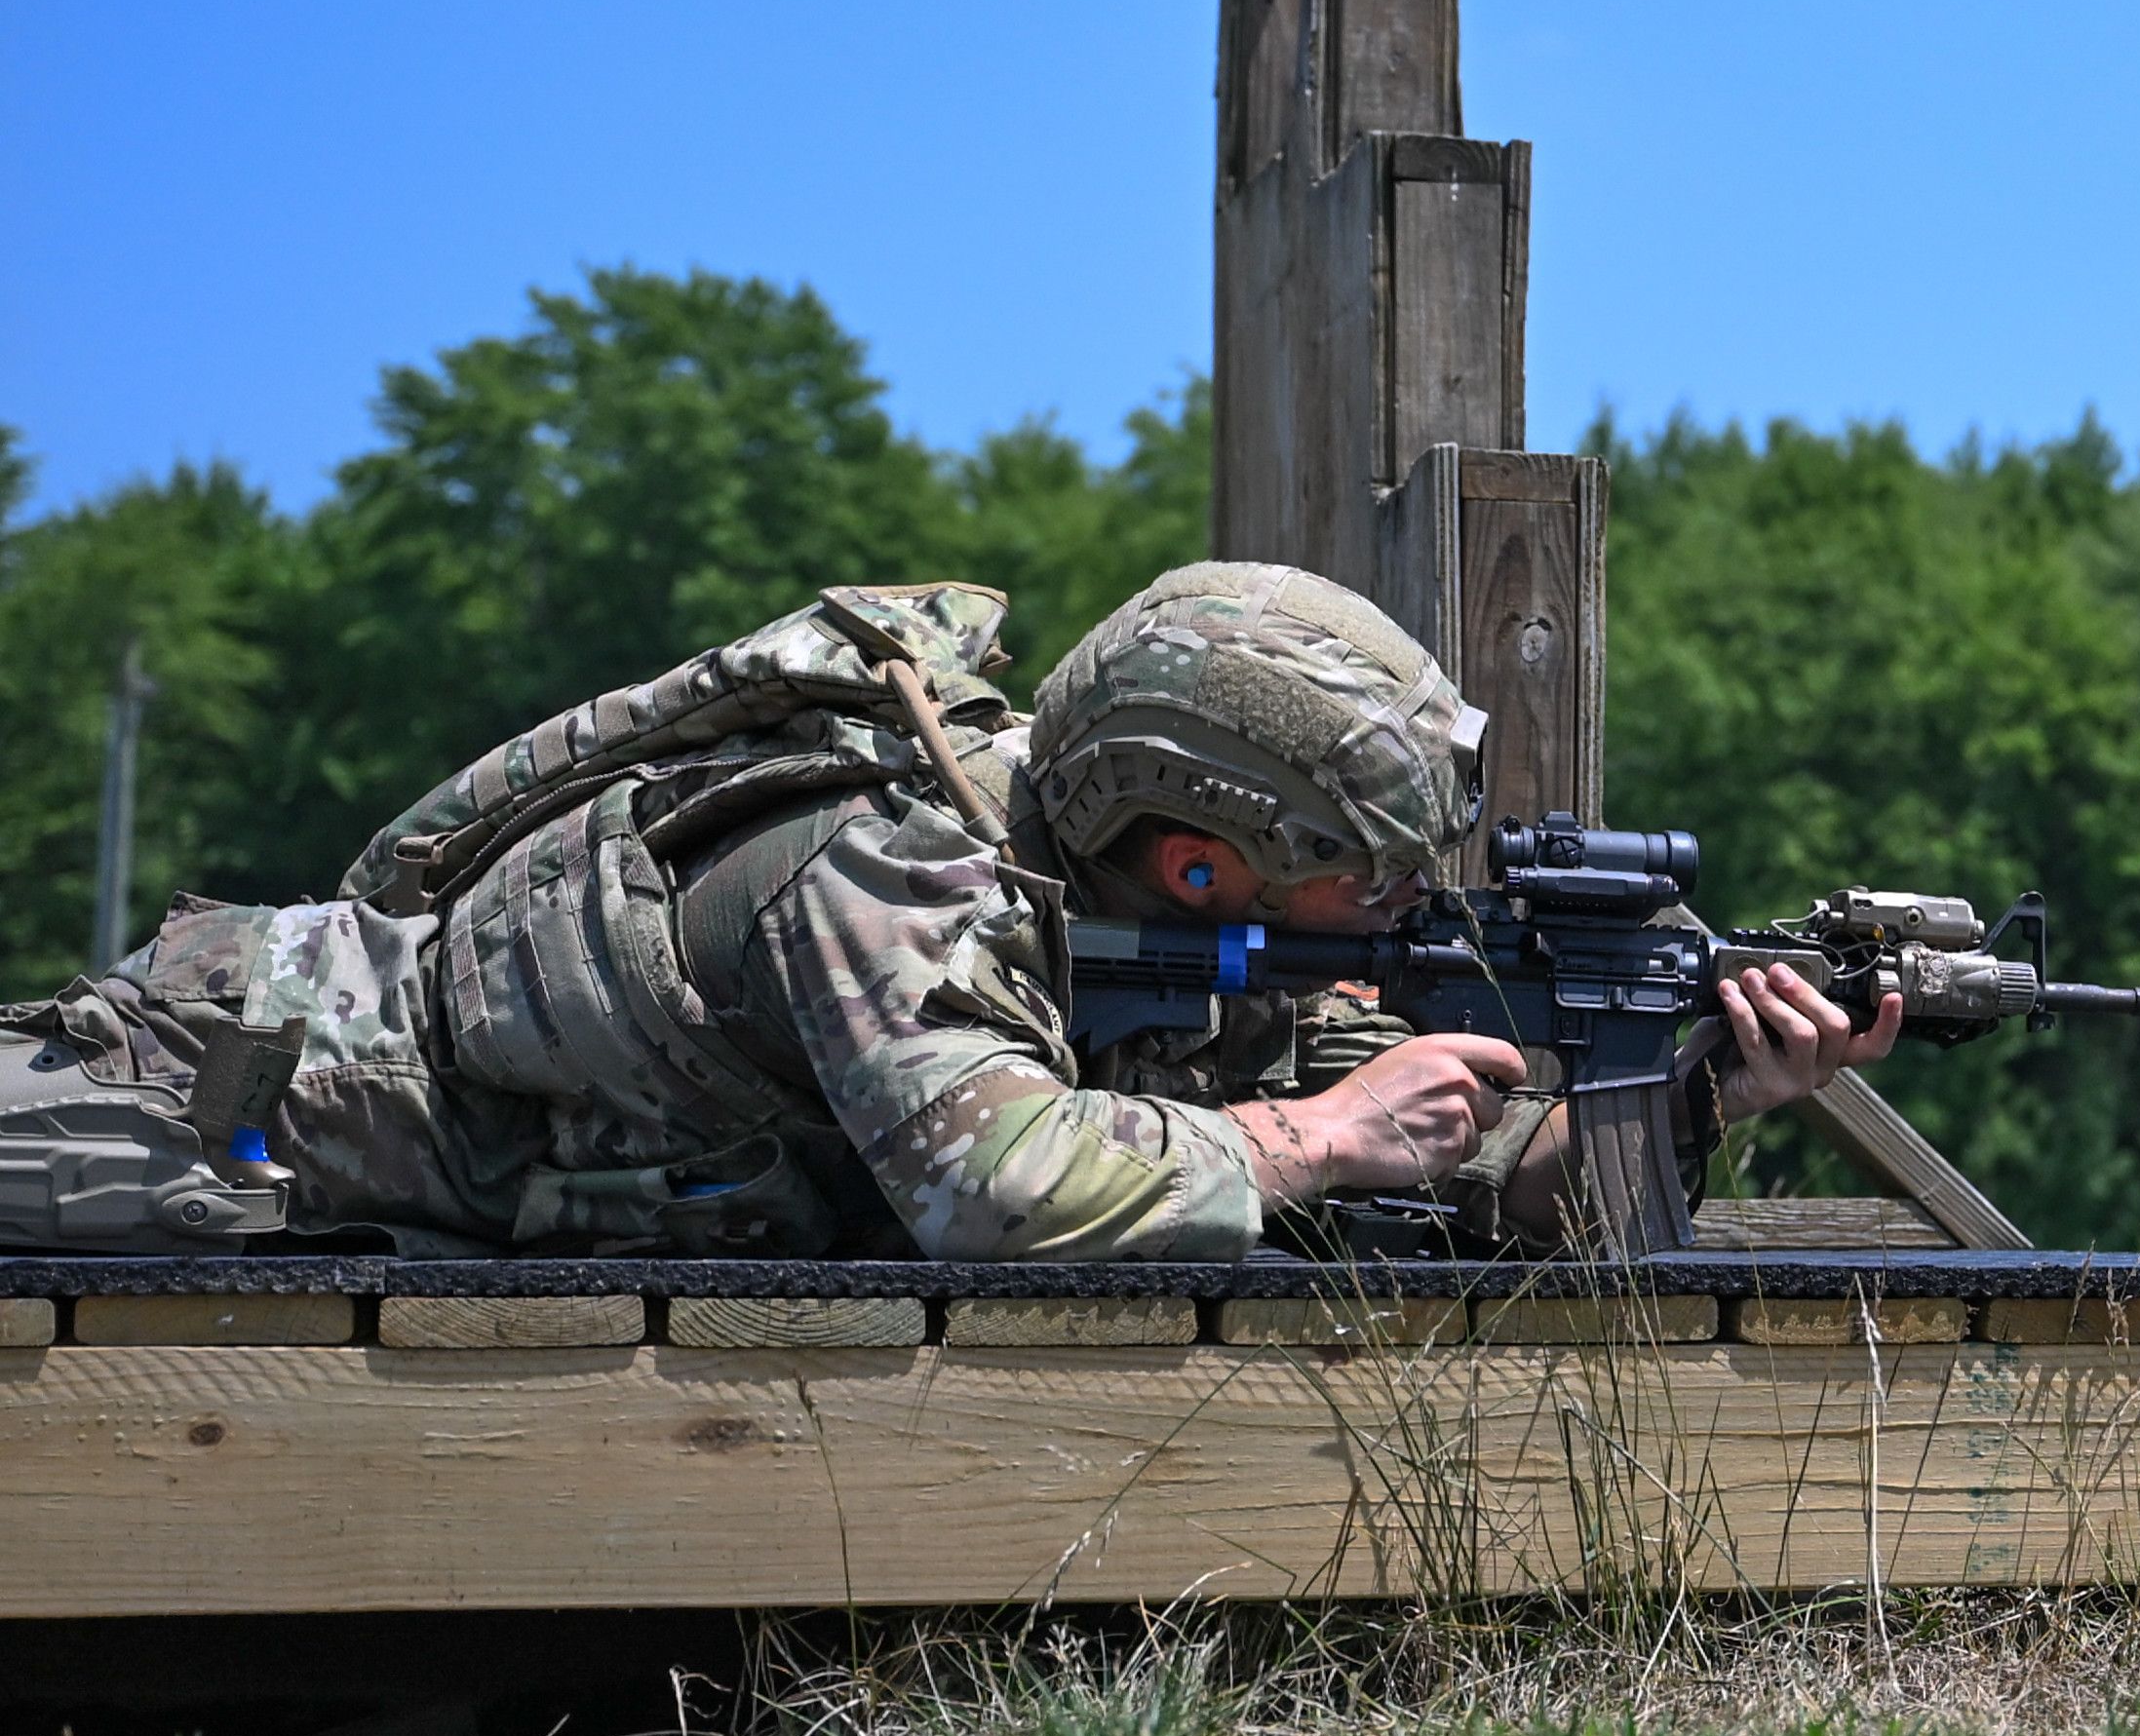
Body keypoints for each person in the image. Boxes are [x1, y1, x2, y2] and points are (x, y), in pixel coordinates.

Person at [0, 561, 1895, 1259]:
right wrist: (1303, 1138)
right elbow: (992, 1191)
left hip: (393, 1190)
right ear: (1196, 854)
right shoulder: (894, 867)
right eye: (1358, 864)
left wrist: (1695, 1095)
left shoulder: (1213, 950)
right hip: (233, 1097)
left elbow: (1480, 1203)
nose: (1395, 906)